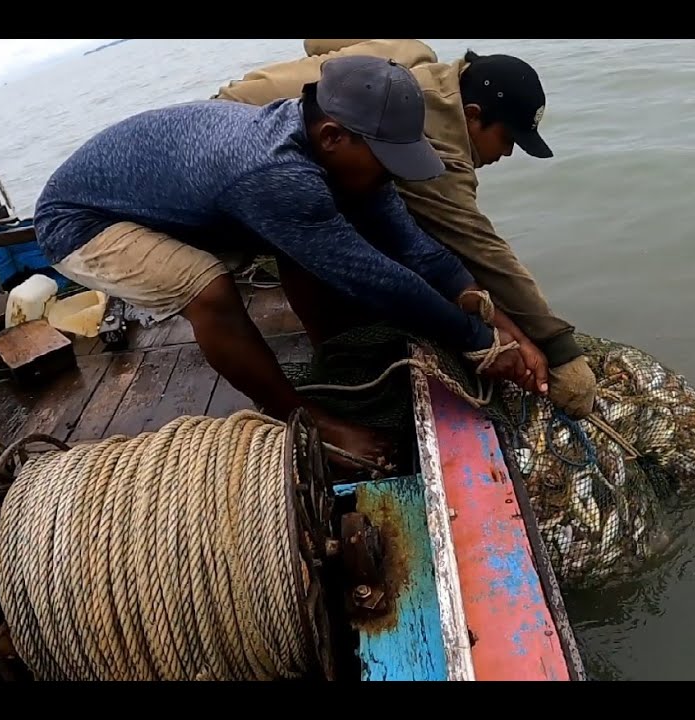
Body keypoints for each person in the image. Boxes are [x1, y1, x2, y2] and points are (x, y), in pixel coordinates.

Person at [32, 55, 537, 469]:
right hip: (82, 221)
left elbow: (412, 246)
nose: (393, 174)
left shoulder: (338, 150)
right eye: (389, 161)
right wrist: (476, 343)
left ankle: (335, 360)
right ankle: (304, 417)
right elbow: (377, 280)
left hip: (183, 203)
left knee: (314, 244)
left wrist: (494, 318)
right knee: (210, 291)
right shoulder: (276, 172)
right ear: (334, 137)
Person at [214, 39, 599, 419]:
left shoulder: (413, 61)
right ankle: (324, 382)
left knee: (386, 221)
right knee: (314, 249)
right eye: (508, 138)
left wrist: (507, 328)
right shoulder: (425, 136)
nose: (509, 153)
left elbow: (425, 251)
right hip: (243, 148)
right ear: (472, 114)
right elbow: (476, 246)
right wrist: (552, 345)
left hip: (274, 114)